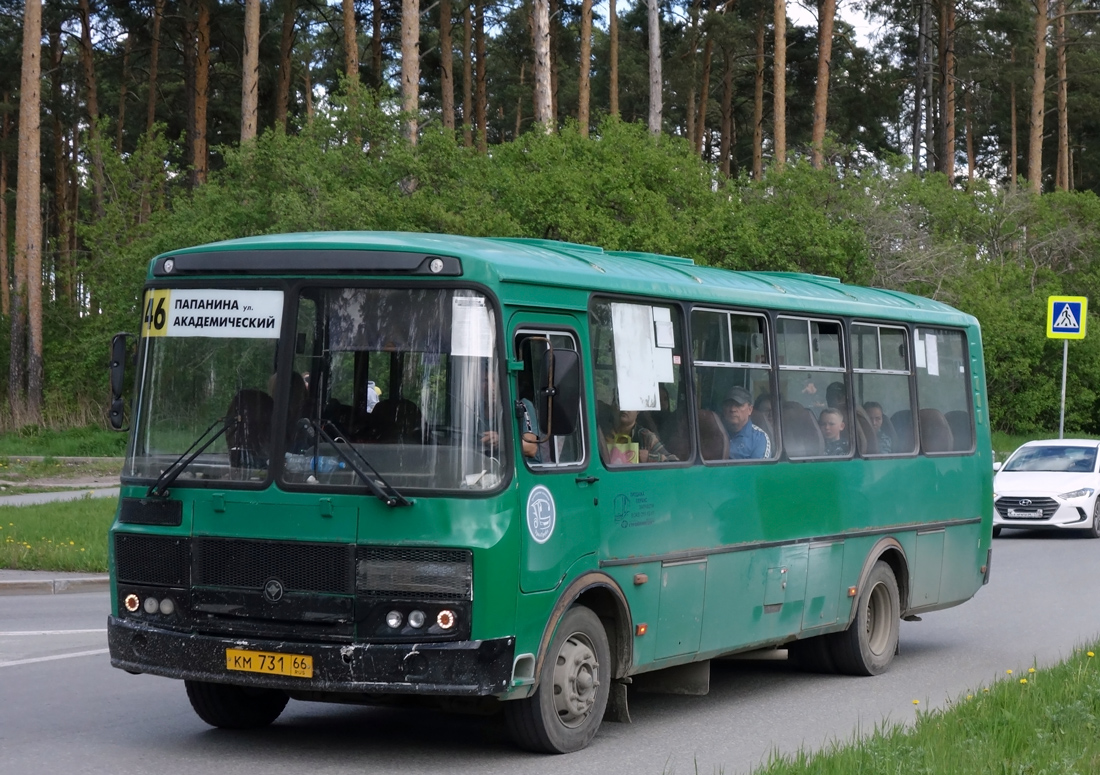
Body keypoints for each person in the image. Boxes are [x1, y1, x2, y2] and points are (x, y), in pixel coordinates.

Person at [601, 399, 678, 464]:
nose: (624, 408)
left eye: (630, 404)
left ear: (638, 411)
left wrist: (649, 457)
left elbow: (674, 462)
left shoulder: (645, 437)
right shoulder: (601, 434)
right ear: (613, 407)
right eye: (620, 403)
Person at [721, 386, 771, 460]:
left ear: (750, 410)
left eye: (738, 405)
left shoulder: (759, 438)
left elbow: (759, 470)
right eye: (728, 405)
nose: (732, 409)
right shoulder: (715, 432)